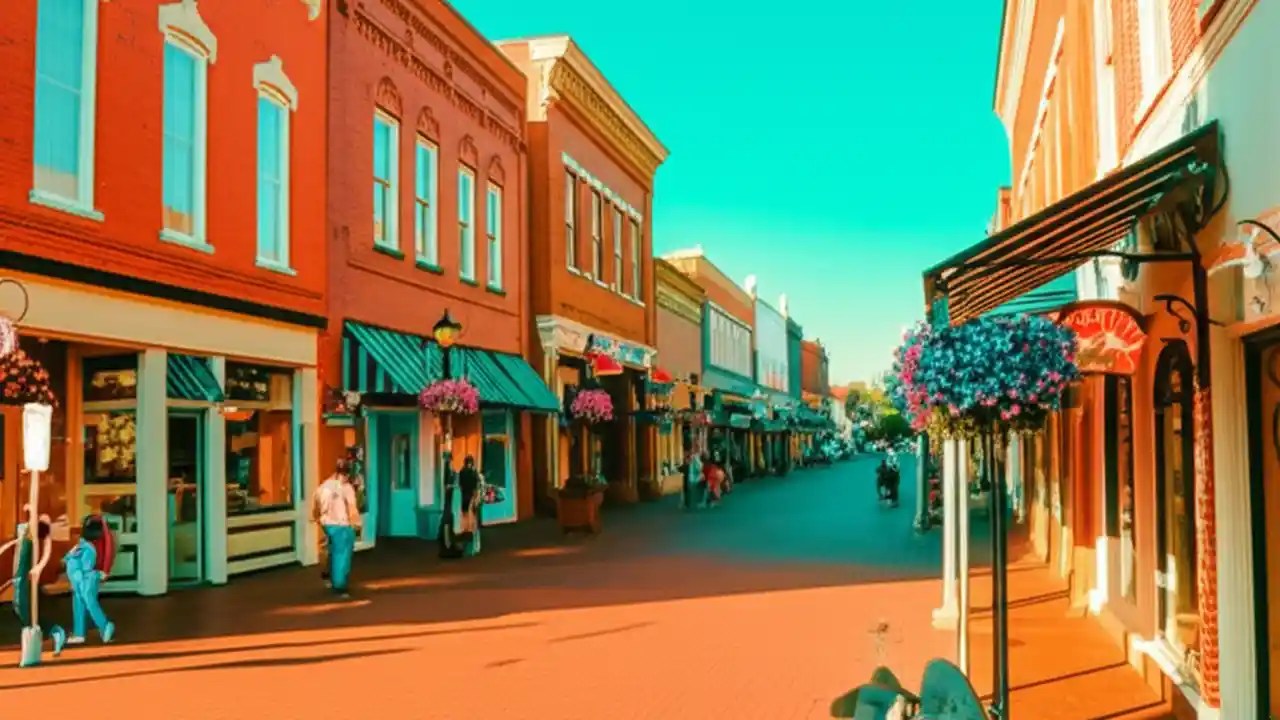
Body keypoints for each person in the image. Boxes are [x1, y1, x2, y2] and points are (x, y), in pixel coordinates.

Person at [0, 511, 67, 655]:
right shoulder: (26, 533)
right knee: (21, 609)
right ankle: (52, 632)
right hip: (18, 576)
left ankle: (53, 631)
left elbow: (47, 548)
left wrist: (39, 567)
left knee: (24, 610)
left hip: (24, 577)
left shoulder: (34, 535)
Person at [312, 459, 361, 598]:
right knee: (342, 555)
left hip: (327, 524)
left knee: (331, 550)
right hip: (342, 524)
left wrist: (317, 518)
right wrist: (357, 524)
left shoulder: (323, 486)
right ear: (347, 473)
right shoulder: (346, 488)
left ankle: (328, 575)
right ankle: (339, 586)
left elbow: (315, 506)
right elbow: (352, 508)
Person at [63, 519, 114, 645]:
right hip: (80, 581)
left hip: (84, 581)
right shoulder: (85, 546)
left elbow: (85, 567)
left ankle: (105, 625)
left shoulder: (86, 548)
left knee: (89, 604)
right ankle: (80, 633)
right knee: (80, 606)